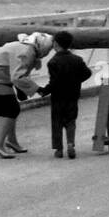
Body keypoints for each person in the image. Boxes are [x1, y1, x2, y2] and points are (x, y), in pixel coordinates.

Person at [0, 32, 51, 158]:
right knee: (11, 109)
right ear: (41, 47)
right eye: (48, 50)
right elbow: (18, 76)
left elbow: (16, 72)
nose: (47, 53)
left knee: (11, 109)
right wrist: (37, 89)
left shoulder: (21, 46)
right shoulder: (27, 52)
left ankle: (12, 141)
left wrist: (23, 90)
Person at [37, 30, 95, 159]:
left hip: (58, 97)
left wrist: (44, 91)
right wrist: (76, 81)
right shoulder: (77, 59)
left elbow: (54, 82)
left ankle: (59, 149)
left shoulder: (52, 62)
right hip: (73, 95)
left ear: (56, 44)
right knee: (70, 121)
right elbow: (87, 74)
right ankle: (70, 144)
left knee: (57, 122)